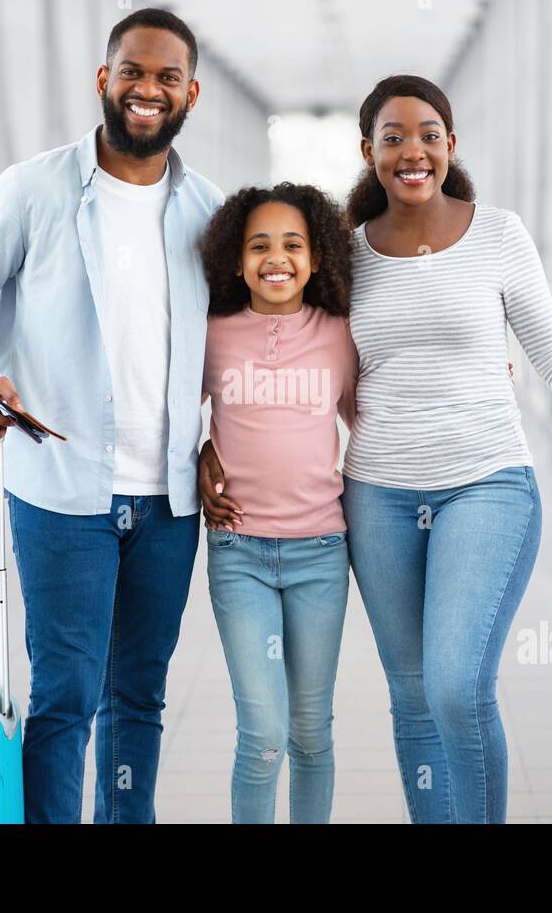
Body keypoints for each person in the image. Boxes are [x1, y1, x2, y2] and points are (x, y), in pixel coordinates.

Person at [201, 74, 552, 824]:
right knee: (411, 700)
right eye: (393, 137)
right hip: (377, 495)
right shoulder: (346, 254)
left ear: (451, 145)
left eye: (428, 135)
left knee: (454, 687)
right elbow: (291, 348)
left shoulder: (499, 234)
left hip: (486, 482)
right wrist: (206, 443)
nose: (412, 152)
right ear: (367, 151)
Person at [0, 8, 223, 824]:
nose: (148, 90)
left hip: (166, 500)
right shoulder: (34, 188)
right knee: (62, 695)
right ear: (104, 79)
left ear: (191, 93)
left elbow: (253, 335)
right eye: (133, 71)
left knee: (139, 696)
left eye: (168, 77)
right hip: (59, 489)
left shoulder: (209, 210)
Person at [196, 183, 356, 822]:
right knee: (262, 736)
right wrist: (198, 451)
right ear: (236, 261)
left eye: (293, 244)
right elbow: (173, 410)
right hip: (239, 553)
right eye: (258, 245)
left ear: (316, 258)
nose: (276, 258)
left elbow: (379, 411)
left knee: (312, 733)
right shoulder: (213, 332)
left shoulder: (340, 333)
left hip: (321, 553)